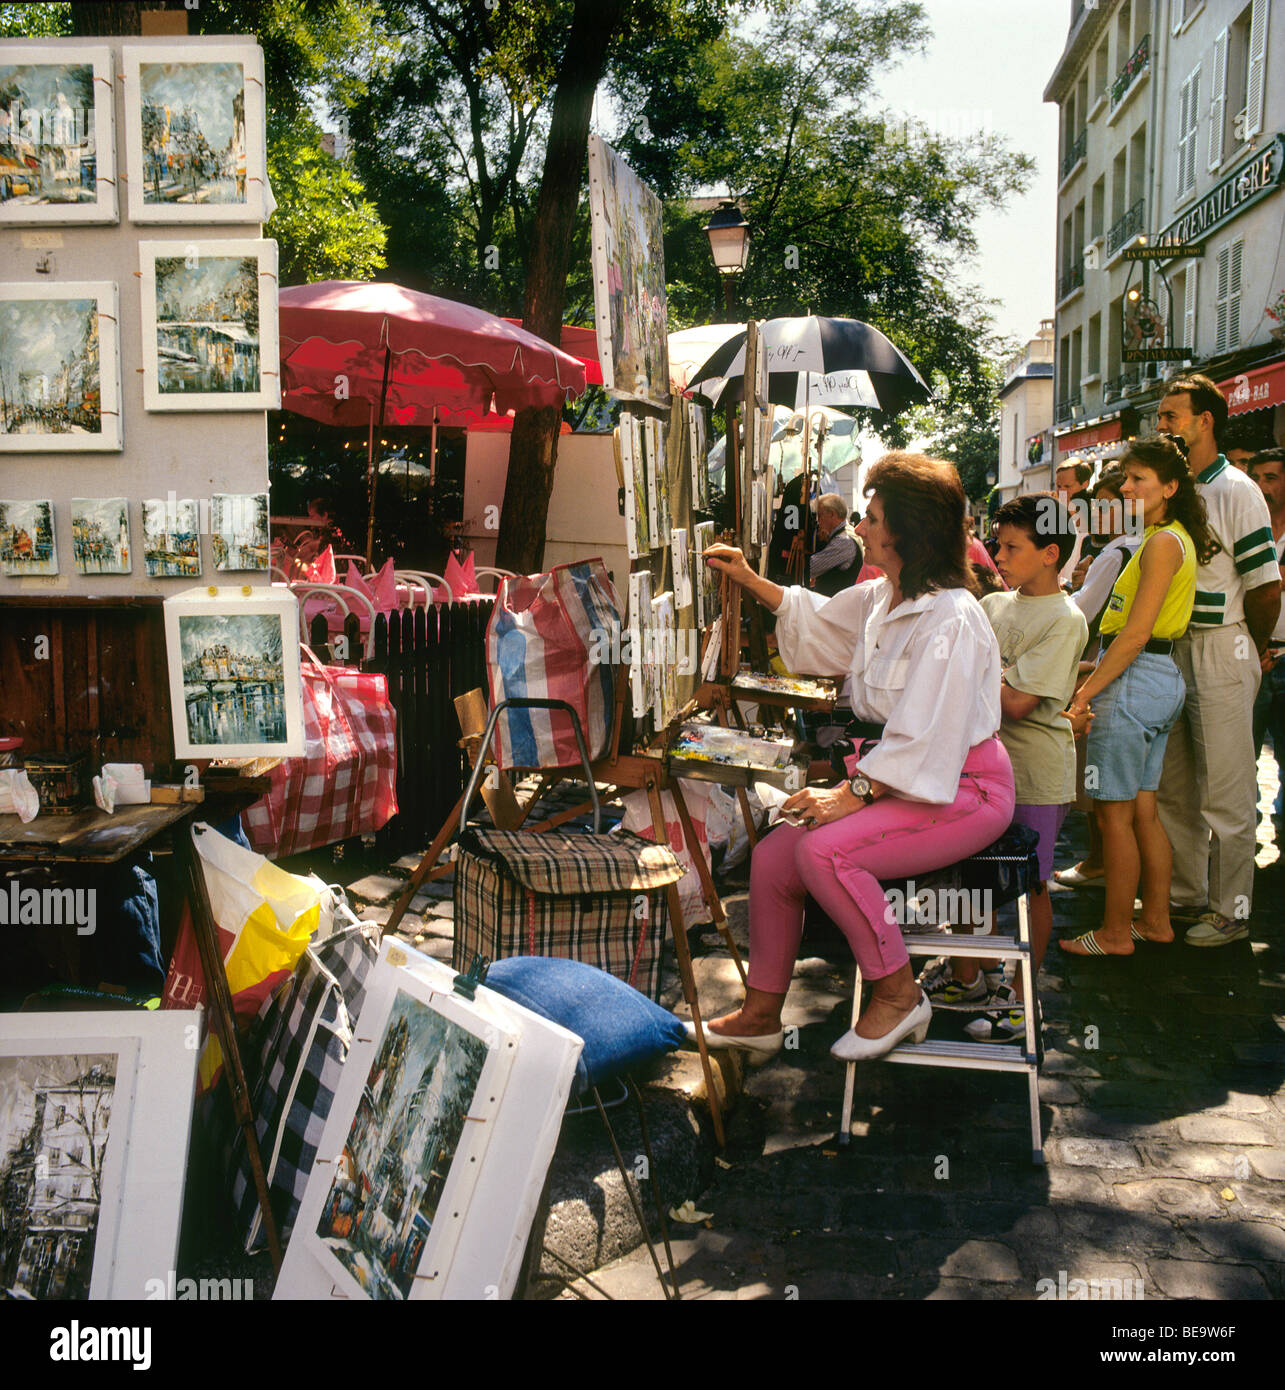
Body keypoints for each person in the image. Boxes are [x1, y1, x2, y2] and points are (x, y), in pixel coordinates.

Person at [689, 453, 1015, 1062]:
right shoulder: (881, 597)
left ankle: (897, 993)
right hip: (904, 781)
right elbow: (814, 618)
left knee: (824, 849)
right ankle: (761, 1016)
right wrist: (747, 580)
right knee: (774, 856)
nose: (860, 528)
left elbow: (924, 738)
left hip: (965, 790)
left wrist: (848, 796)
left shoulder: (952, 616)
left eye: (872, 517)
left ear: (908, 531)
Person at [926, 494, 1086, 1041]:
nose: (999, 554)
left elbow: (1016, 702)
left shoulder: (1066, 620)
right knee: (973, 873)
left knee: (1029, 884)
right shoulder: (995, 606)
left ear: (1050, 553)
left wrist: (968, 679)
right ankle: (969, 975)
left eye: (1013, 546)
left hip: (1037, 774)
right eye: (998, 543)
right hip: (984, 770)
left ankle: (1020, 999)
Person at [1060, 434, 1216, 956]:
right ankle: (1154, 922)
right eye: (1124, 479)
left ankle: (1112, 934)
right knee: (1142, 810)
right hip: (1155, 679)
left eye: (1137, 480)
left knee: (1114, 815)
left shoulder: (1162, 542)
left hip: (1134, 682)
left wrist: (1084, 694)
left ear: (1169, 487)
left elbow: (1134, 633)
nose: (1125, 489)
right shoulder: (1167, 537)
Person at [1154, 375, 1282, 947]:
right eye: (1161, 416)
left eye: (1172, 415)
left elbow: (1264, 586)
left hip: (1221, 642)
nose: (1163, 425)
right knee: (1176, 784)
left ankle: (1231, 909)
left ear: (1206, 419)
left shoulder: (1236, 489)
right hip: (1176, 646)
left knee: (1226, 790)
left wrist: (1250, 648)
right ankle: (1186, 894)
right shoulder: (1174, 488)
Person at [1055, 466, 1139, 887]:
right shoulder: (1135, 546)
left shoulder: (1115, 553)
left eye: (1111, 505)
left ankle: (1099, 861)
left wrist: (1068, 591)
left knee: (1091, 767)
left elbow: (1082, 613)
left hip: (1097, 654)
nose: (1100, 513)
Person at [1248, 447, 1285, 818]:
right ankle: (1244, 839)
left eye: (1270, 478)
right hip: (1253, 653)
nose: (1261, 486)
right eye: (1256, 478)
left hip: (1284, 655)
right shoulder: (1248, 528)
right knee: (1243, 758)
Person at [809, 493, 863, 597]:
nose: (817, 521)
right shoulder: (846, 533)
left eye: (819, 515)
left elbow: (810, 568)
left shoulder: (843, 541)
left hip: (836, 607)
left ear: (832, 514)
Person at [1055, 458, 1094, 586]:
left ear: (1085, 484)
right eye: (1059, 486)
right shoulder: (1054, 519)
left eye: (1067, 486)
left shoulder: (1095, 521)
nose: (1062, 492)